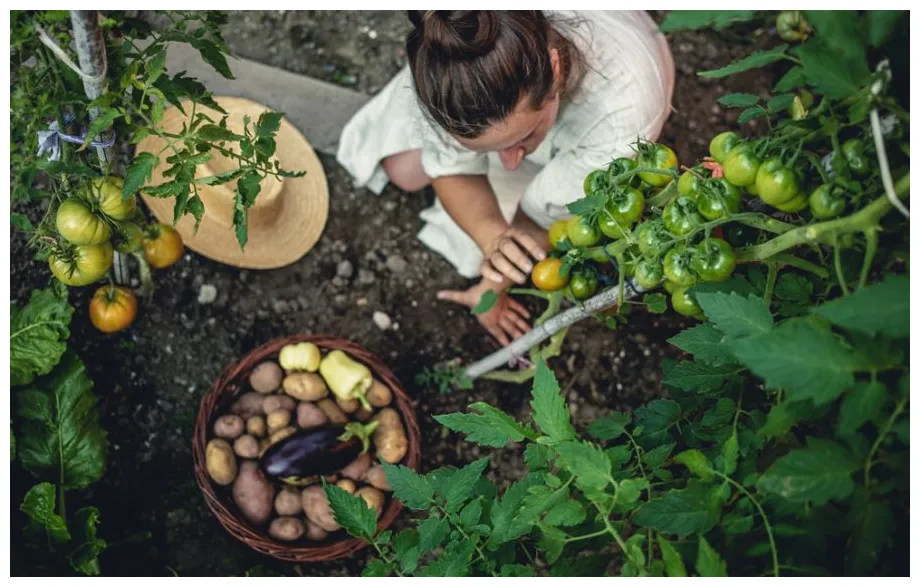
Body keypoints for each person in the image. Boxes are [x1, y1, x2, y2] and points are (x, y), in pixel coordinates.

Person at [337, 10, 675, 346]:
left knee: (493, 237)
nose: (512, 162)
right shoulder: (453, 44)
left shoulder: (621, 115)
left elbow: (540, 220)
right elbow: (451, 167)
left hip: (601, 122)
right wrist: (491, 236)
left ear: (555, 70)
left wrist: (491, 285)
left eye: (523, 138)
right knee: (403, 172)